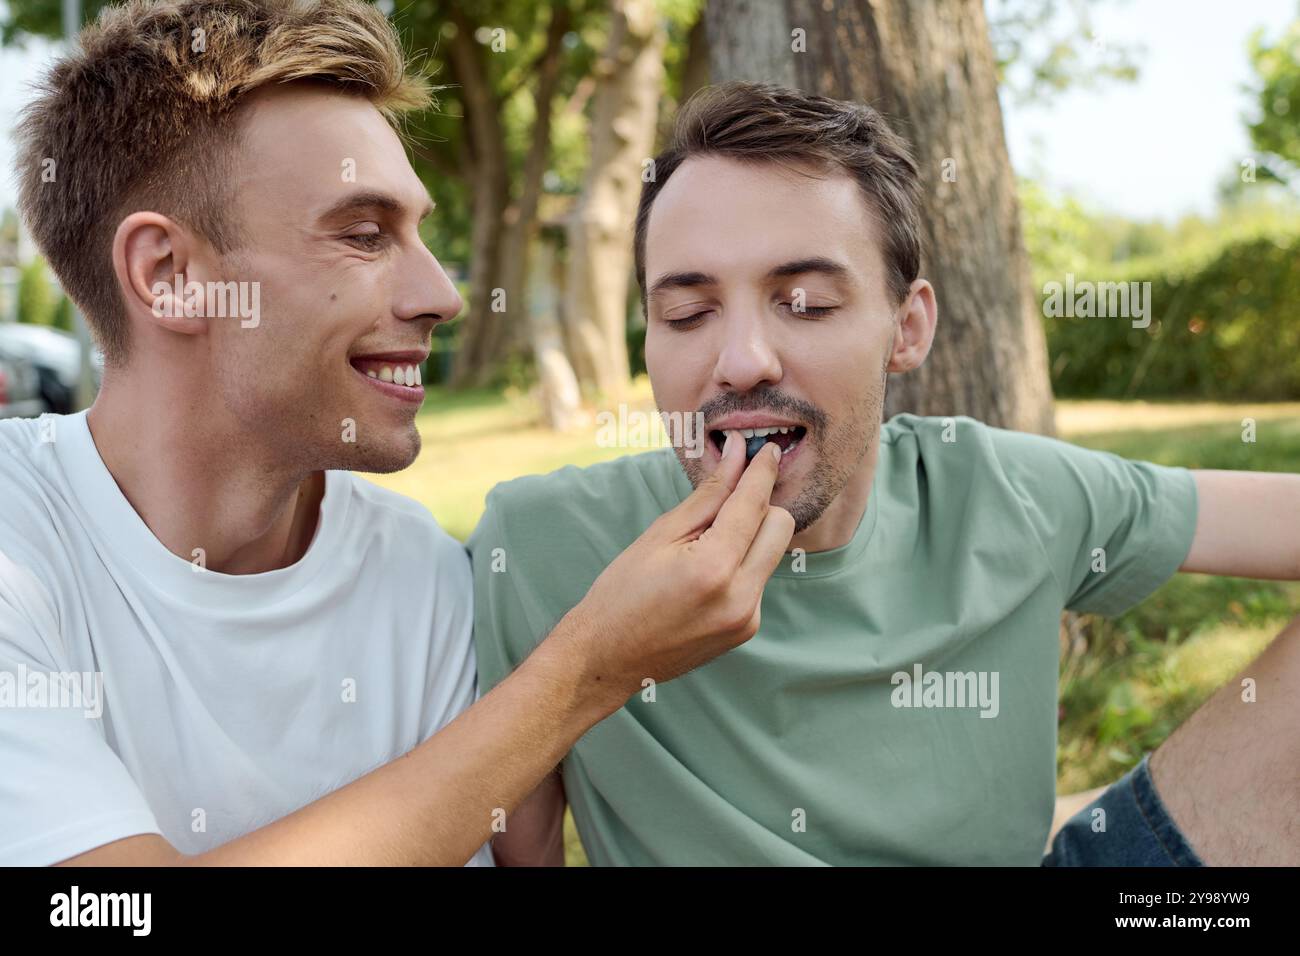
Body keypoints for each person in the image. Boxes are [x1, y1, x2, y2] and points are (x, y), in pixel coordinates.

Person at [0, 0, 794, 866]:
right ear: (171, 275)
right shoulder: (20, 548)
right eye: (365, 234)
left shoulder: (426, 577)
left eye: (417, 233)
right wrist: (584, 673)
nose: (441, 296)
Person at [470, 82, 1300, 866]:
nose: (742, 361)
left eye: (805, 303)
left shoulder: (1010, 494)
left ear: (907, 328)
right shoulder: (542, 544)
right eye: (687, 313)